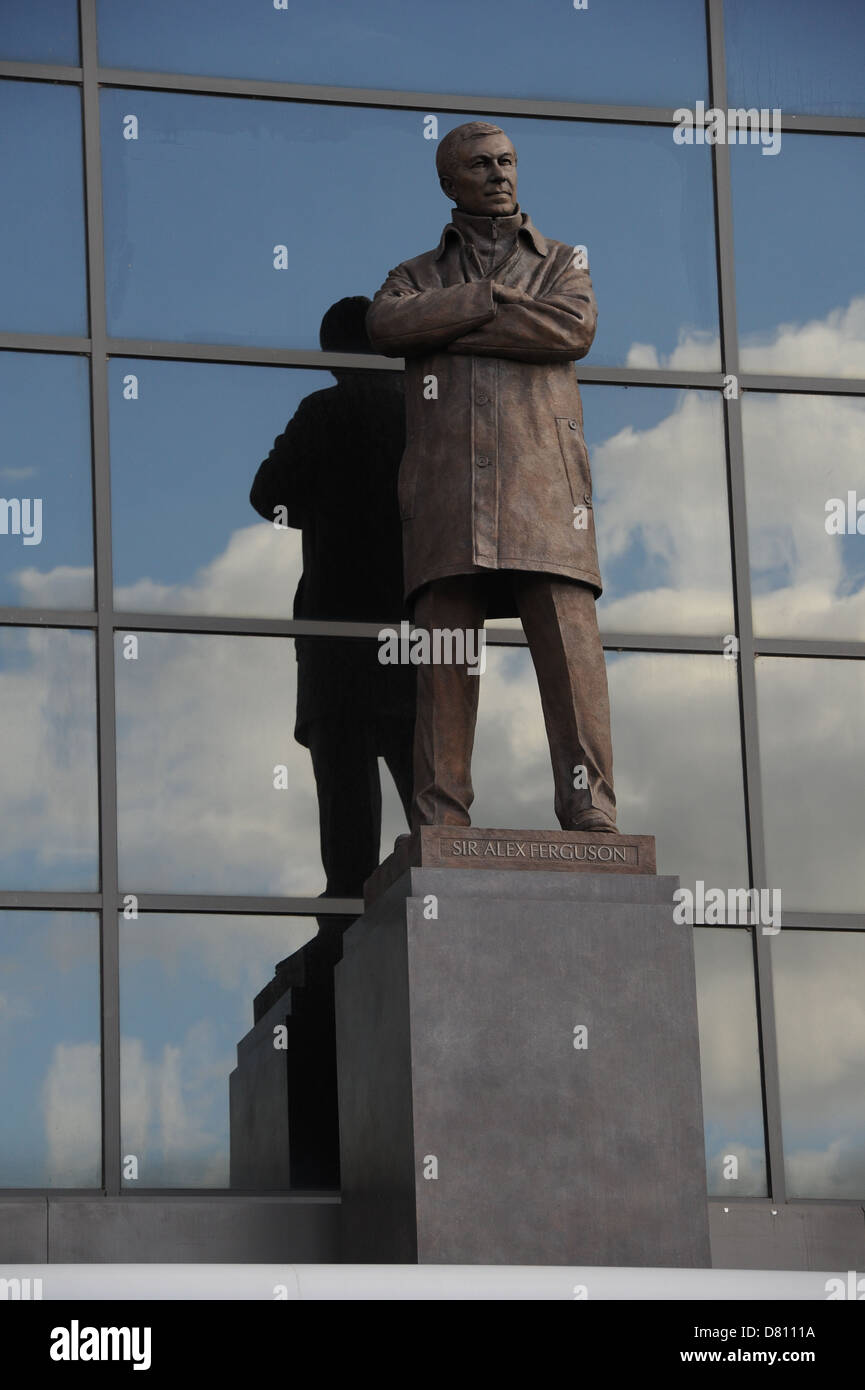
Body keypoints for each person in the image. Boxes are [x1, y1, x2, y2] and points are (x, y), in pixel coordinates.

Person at [366, 122, 617, 834]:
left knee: (570, 656)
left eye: (506, 161)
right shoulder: (413, 274)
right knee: (444, 660)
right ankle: (440, 815)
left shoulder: (563, 261)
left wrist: (441, 329)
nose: (499, 173)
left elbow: (570, 330)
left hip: (545, 493)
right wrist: (487, 300)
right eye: (480, 164)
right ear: (450, 184)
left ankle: (591, 807)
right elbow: (386, 326)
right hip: (447, 498)